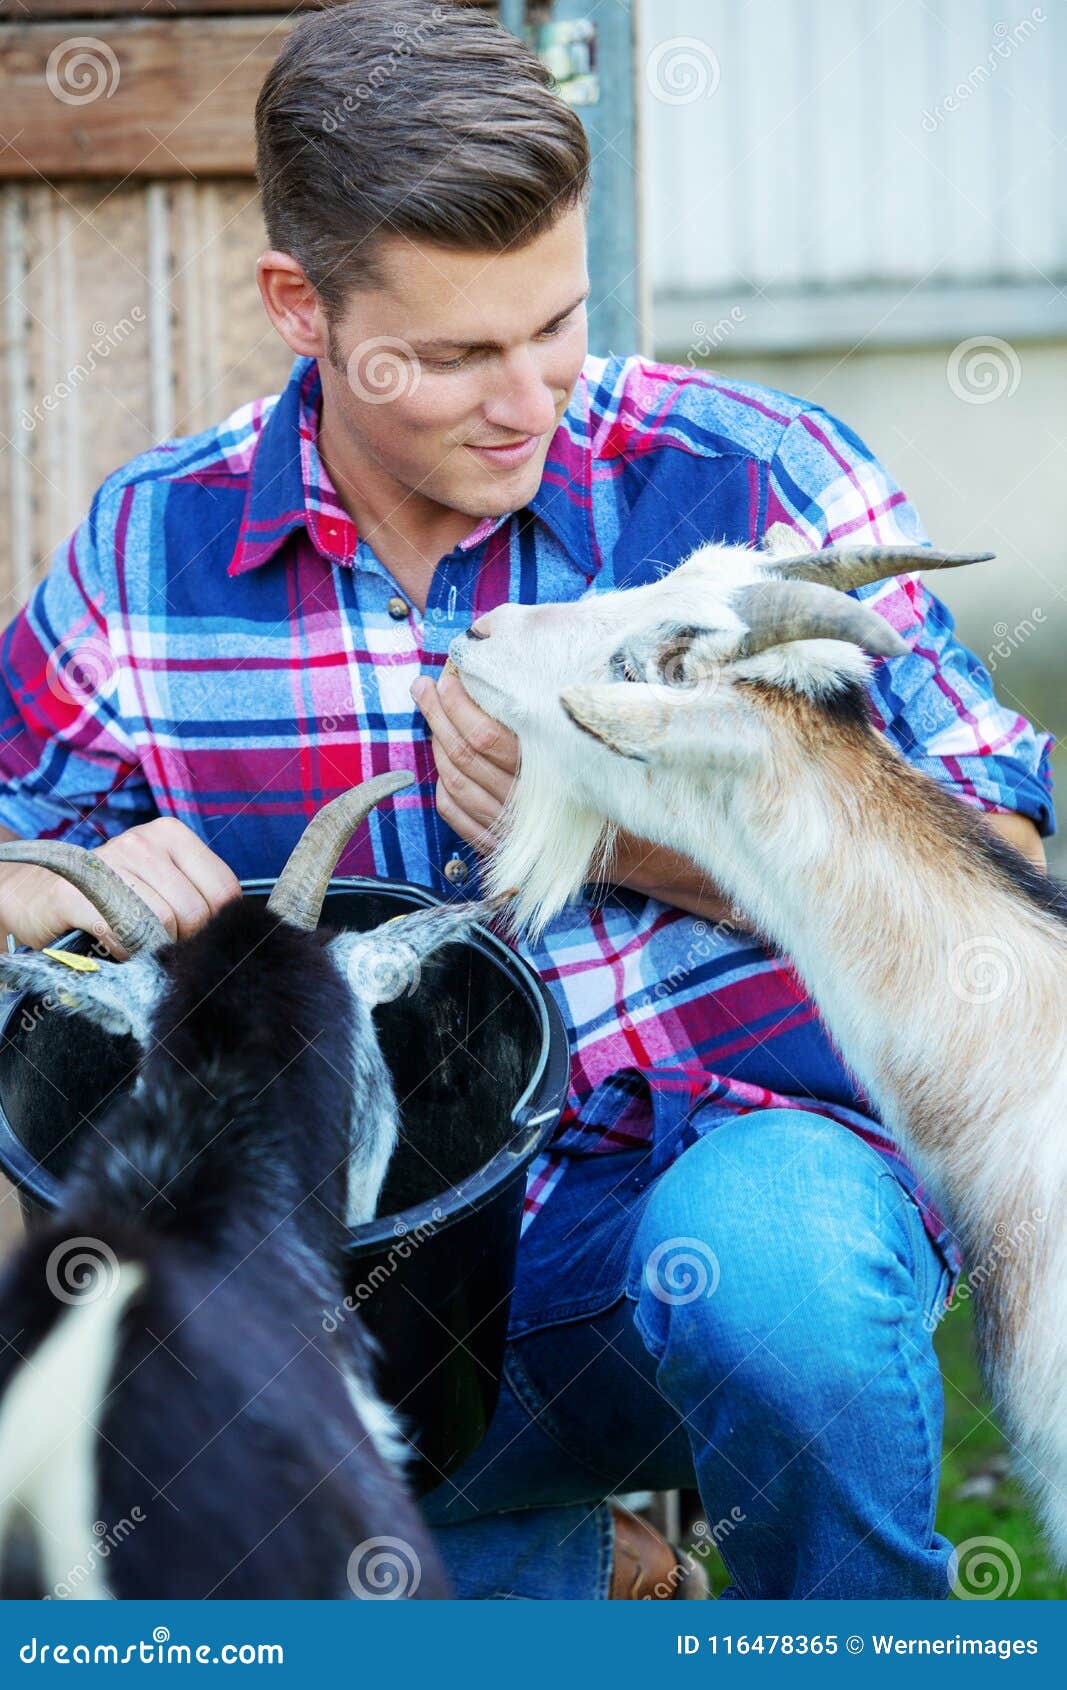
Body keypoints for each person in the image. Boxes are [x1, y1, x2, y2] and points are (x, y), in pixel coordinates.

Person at [0, 1, 1053, 1599]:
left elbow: (1008, 871)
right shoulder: (151, 559)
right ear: (303, 307)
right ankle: (597, 1572)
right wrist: (66, 884)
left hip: (721, 1203)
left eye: (554, 322)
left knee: (778, 1286)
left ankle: (853, 1636)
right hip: (376, 1300)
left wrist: (659, 841)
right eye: (458, 352)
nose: (531, 396)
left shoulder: (748, 479)